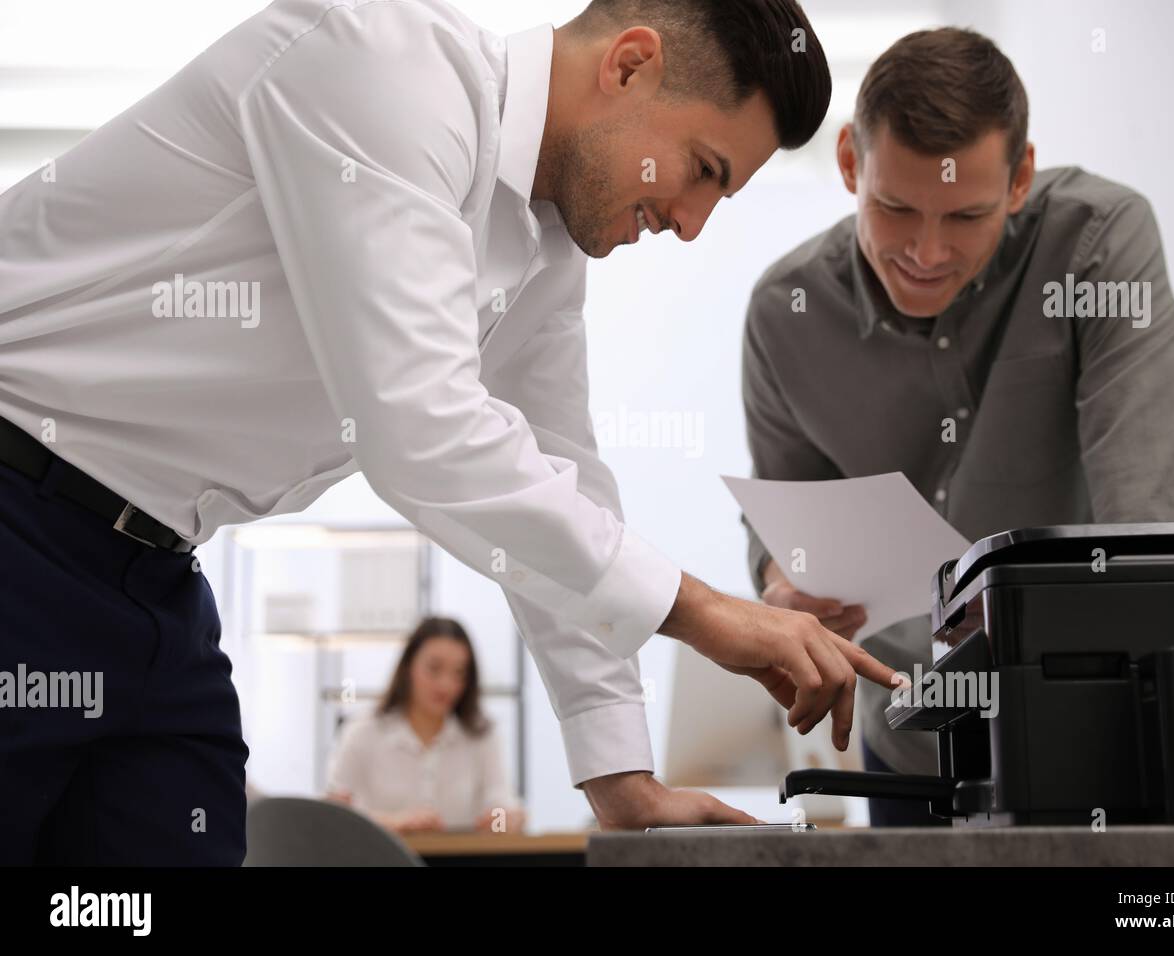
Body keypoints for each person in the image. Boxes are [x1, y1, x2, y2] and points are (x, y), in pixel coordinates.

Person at [0, 0, 899, 865]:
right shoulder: (387, 62)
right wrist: (709, 617)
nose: (692, 224)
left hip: (153, 576)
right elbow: (418, 426)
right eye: (704, 169)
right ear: (630, 66)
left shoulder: (544, 258)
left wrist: (620, 775)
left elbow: (560, 485)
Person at [742, 27, 1174, 826]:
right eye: (896, 208)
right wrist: (780, 584)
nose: (927, 252)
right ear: (851, 165)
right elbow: (783, 527)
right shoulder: (784, 315)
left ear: (1019, 178)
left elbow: (1157, 527)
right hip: (914, 742)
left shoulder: (1098, 245)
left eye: (965, 216)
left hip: (1098, 727)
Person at [326, 617, 522, 834]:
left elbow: (500, 804)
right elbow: (333, 814)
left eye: (459, 673)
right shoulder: (363, 731)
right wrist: (394, 823)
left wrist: (503, 820)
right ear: (409, 666)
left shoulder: (482, 734)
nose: (446, 684)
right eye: (434, 669)